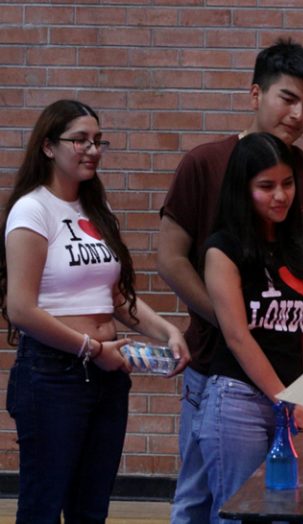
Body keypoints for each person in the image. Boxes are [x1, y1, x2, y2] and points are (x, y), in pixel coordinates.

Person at [158, 39, 303, 522]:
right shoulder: (205, 163)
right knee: (204, 495)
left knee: (294, 497)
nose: (298, 115)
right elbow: (170, 258)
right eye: (287, 99)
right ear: (256, 94)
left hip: (297, 370)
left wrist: (300, 319)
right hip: (219, 365)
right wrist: (233, 320)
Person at [0, 99, 190, 523]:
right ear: (48, 147)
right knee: (42, 508)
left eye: (98, 141)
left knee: (91, 510)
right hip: (53, 376)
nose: (92, 150)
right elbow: (21, 309)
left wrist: (167, 332)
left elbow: (117, 298)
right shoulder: (32, 210)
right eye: (80, 140)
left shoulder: (94, 211)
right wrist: (90, 348)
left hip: (105, 376)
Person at [197, 132, 303, 522]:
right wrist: (286, 401)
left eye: (287, 184)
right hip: (239, 401)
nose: (280, 196)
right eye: (266, 186)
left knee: (297, 512)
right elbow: (237, 336)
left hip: (295, 402)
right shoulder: (223, 249)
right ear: (243, 189)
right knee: (241, 515)